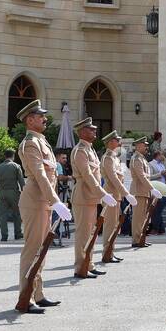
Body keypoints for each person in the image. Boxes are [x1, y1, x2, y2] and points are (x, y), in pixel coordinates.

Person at [15, 100, 69, 312]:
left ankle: (37, 293)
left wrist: (52, 200)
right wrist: (55, 200)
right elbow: (40, 176)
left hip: (43, 200)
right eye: (40, 116)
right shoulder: (30, 143)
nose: (45, 119)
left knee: (41, 250)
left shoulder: (41, 142)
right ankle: (25, 297)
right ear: (30, 120)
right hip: (35, 200)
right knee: (32, 250)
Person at [70, 117, 112, 279]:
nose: (95, 131)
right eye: (91, 129)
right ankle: (80, 266)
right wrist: (102, 193)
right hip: (83, 194)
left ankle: (89, 263)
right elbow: (87, 175)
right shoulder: (80, 150)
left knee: (91, 232)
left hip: (90, 196)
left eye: (95, 129)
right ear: (81, 132)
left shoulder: (90, 149)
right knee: (83, 233)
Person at [98, 132, 129, 264]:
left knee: (115, 225)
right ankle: (107, 253)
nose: (119, 142)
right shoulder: (108, 158)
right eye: (117, 140)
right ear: (110, 142)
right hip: (110, 194)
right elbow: (113, 178)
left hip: (116, 195)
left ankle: (111, 252)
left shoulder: (115, 158)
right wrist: (126, 193)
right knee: (110, 226)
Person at [0, 149, 24, 242]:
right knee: (16, 214)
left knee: (3, 215)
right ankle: (17, 233)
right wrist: (24, 192)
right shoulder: (16, 166)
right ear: (13, 156)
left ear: (5, 156)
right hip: (13, 193)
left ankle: (4, 235)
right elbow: (21, 181)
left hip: (2, 193)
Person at [130, 137, 154, 247]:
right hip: (139, 191)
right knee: (137, 217)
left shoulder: (142, 158)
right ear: (139, 146)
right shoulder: (137, 159)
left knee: (142, 217)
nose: (146, 147)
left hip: (143, 191)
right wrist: (151, 188)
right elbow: (141, 176)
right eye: (145, 145)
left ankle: (140, 238)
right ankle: (136, 240)